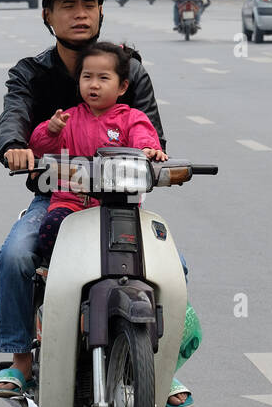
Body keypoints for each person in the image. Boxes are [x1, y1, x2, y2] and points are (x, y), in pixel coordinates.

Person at [0, 0, 197, 407]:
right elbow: (14, 118)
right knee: (15, 256)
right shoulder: (30, 73)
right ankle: (20, 360)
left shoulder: (130, 70)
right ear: (48, 15)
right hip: (58, 196)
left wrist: (160, 159)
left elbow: (151, 135)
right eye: (68, 5)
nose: (80, 14)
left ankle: (162, 364)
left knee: (174, 268)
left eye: (89, 4)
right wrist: (14, 146)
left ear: (102, 11)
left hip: (120, 201)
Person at [27, 41, 168, 263]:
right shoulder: (68, 118)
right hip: (69, 201)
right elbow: (39, 146)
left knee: (157, 259)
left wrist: (148, 150)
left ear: (122, 87)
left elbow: (143, 137)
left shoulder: (132, 118)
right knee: (51, 227)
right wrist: (51, 130)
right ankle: (53, 270)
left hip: (120, 205)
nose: (94, 85)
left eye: (103, 78)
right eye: (87, 77)